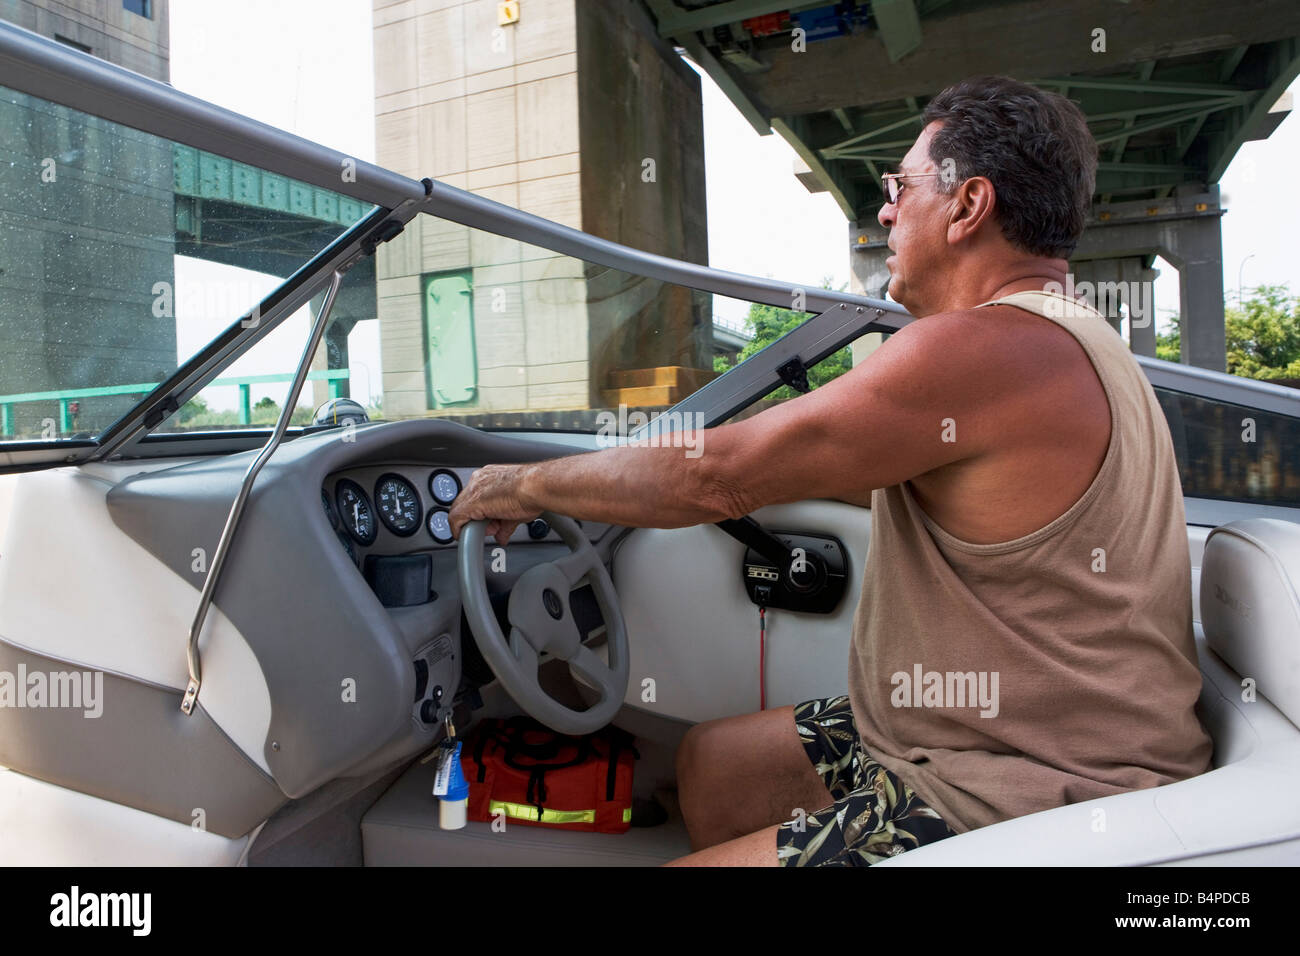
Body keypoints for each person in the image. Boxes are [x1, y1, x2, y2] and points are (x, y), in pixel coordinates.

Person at [447, 75, 1213, 867]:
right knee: (713, 766)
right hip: (974, 734)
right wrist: (732, 461)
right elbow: (817, 463)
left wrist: (524, 485)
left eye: (900, 186)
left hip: (1033, 791)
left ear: (966, 204)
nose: (885, 211)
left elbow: (716, 477)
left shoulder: (984, 348)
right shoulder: (1067, 337)